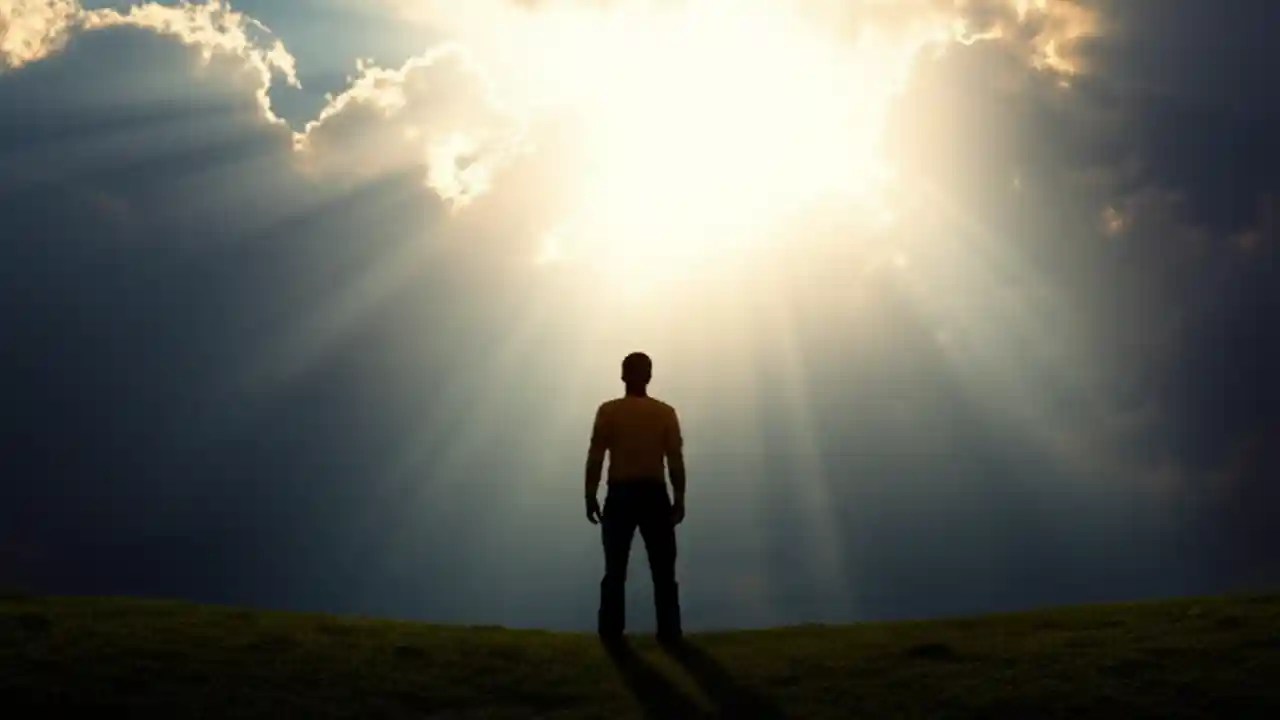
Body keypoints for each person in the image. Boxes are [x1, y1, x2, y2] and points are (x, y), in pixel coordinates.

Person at [585, 351, 685, 643]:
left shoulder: (609, 410)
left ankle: (611, 633)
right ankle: (669, 633)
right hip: (653, 494)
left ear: (623, 375)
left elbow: (596, 455)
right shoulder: (664, 412)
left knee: (616, 569)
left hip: (621, 493)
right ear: (649, 375)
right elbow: (675, 459)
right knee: (663, 570)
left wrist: (590, 493)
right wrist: (679, 497)